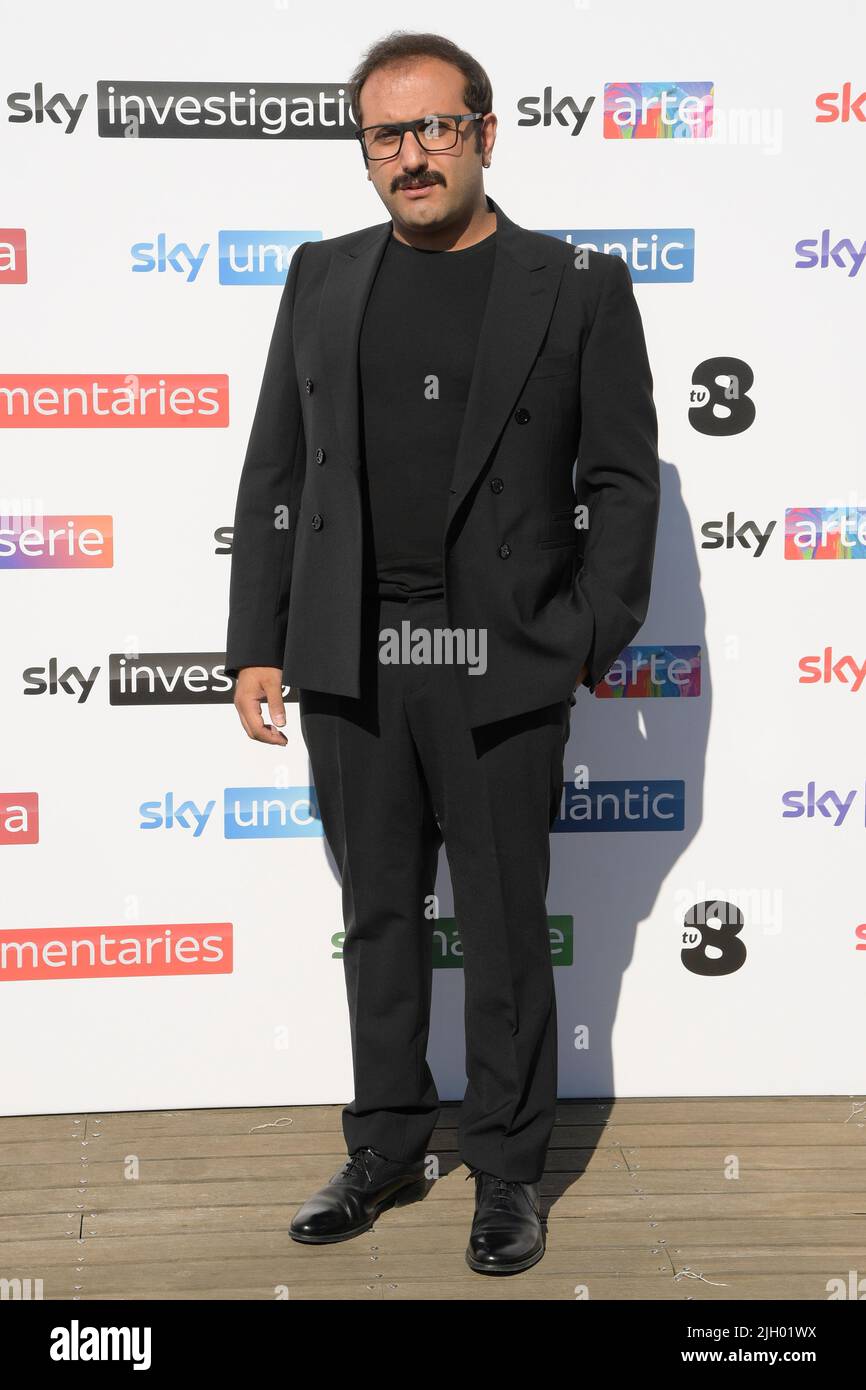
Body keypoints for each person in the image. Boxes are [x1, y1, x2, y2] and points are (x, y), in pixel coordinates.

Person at [225, 30, 659, 1275]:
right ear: (363, 152)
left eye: (433, 128)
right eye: (385, 135)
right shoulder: (319, 276)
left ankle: (508, 1166)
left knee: (508, 926)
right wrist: (258, 638)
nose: (410, 155)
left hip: (500, 656)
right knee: (377, 918)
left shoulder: (574, 283)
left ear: (483, 130)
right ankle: (385, 1144)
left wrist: (581, 634)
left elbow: (621, 480)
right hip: (350, 657)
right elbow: (269, 470)